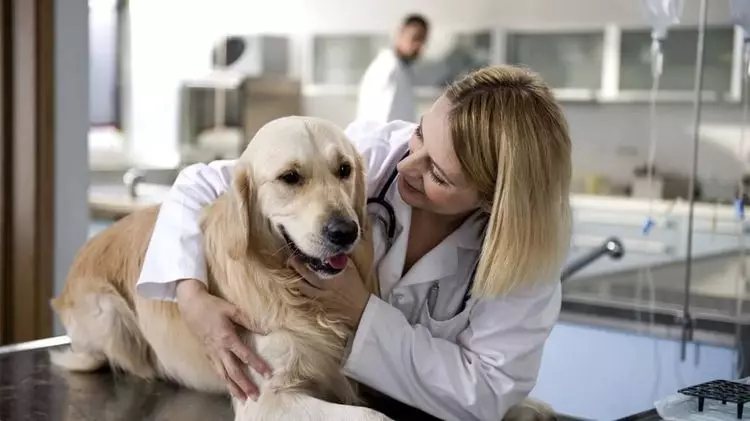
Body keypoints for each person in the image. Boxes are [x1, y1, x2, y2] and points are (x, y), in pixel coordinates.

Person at [136, 65, 572, 421]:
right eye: (420, 134)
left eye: (438, 174)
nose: (407, 165)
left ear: (493, 198)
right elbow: (201, 183)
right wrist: (189, 295)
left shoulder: (526, 260)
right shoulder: (366, 153)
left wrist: (360, 309)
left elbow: (486, 391)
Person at [355, 13, 429, 124]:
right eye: (415, 38)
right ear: (400, 33)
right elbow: (382, 119)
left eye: (423, 40)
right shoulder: (388, 69)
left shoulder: (402, 69)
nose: (418, 45)